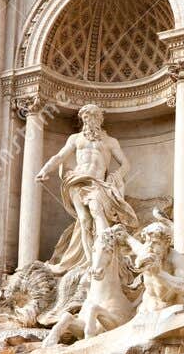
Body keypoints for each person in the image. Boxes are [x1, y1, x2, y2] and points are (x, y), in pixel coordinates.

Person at [37, 104, 138, 271]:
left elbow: (126, 164)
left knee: (97, 211)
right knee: (84, 220)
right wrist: (45, 170)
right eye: (85, 118)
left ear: (99, 119)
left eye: (91, 117)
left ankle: (105, 251)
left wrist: (116, 176)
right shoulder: (75, 138)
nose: (88, 121)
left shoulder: (110, 141)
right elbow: (60, 156)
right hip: (77, 180)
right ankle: (91, 261)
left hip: (97, 183)